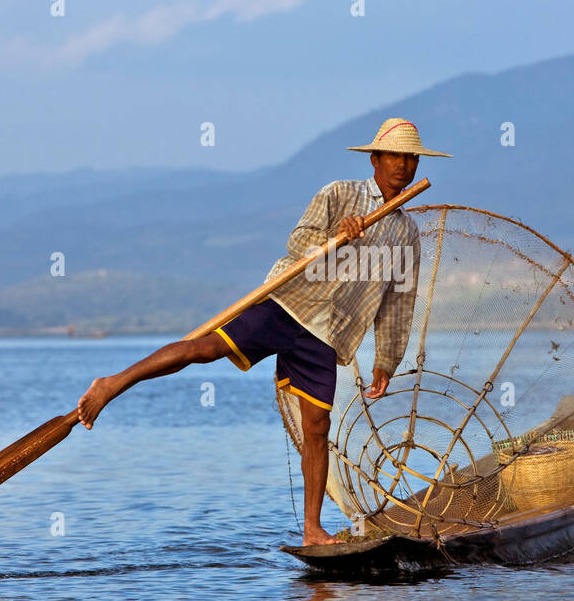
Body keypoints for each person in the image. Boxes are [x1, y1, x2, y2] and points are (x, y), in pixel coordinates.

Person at [76, 117, 451, 545]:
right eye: (394, 156)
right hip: (289, 304)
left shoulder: (406, 233)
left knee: (317, 426)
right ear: (375, 160)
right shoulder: (339, 194)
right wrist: (338, 233)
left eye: (411, 158)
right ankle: (111, 384)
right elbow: (299, 241)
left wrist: (387, 360)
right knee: (203, 350)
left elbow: (399, 302)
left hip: (329, 335)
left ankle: (312, 529)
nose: (403, 165)